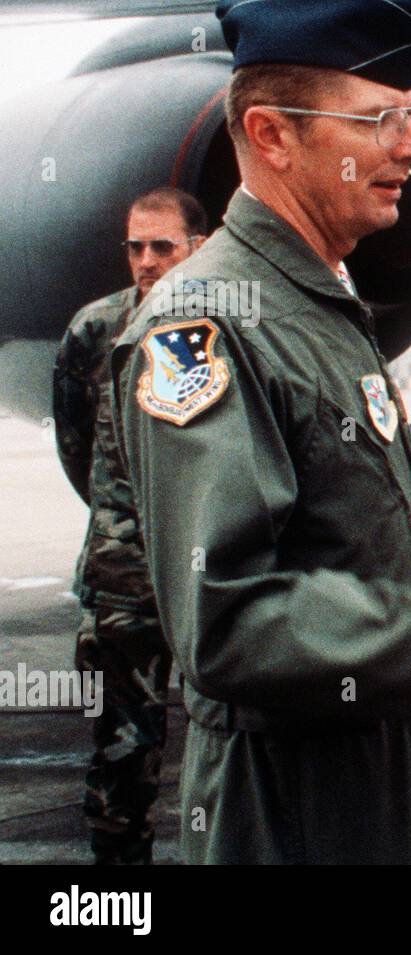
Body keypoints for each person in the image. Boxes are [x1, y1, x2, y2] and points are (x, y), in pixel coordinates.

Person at [112, 0, 411, 865]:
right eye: (382, 118)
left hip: (387, 798)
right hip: (297, 818)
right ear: (272, 135)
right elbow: (224, 622)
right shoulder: (202, 324)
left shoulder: (322, 307)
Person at [52, 186, 206, 864]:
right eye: (135, 247)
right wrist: (120, 519)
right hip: (122, 587)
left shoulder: (227, 333)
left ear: (197, 247)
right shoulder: (95, 330)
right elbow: (75, 442)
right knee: (122, 754)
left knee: (232, 750)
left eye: (162, 246)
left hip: (215, 577)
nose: (146, 261)